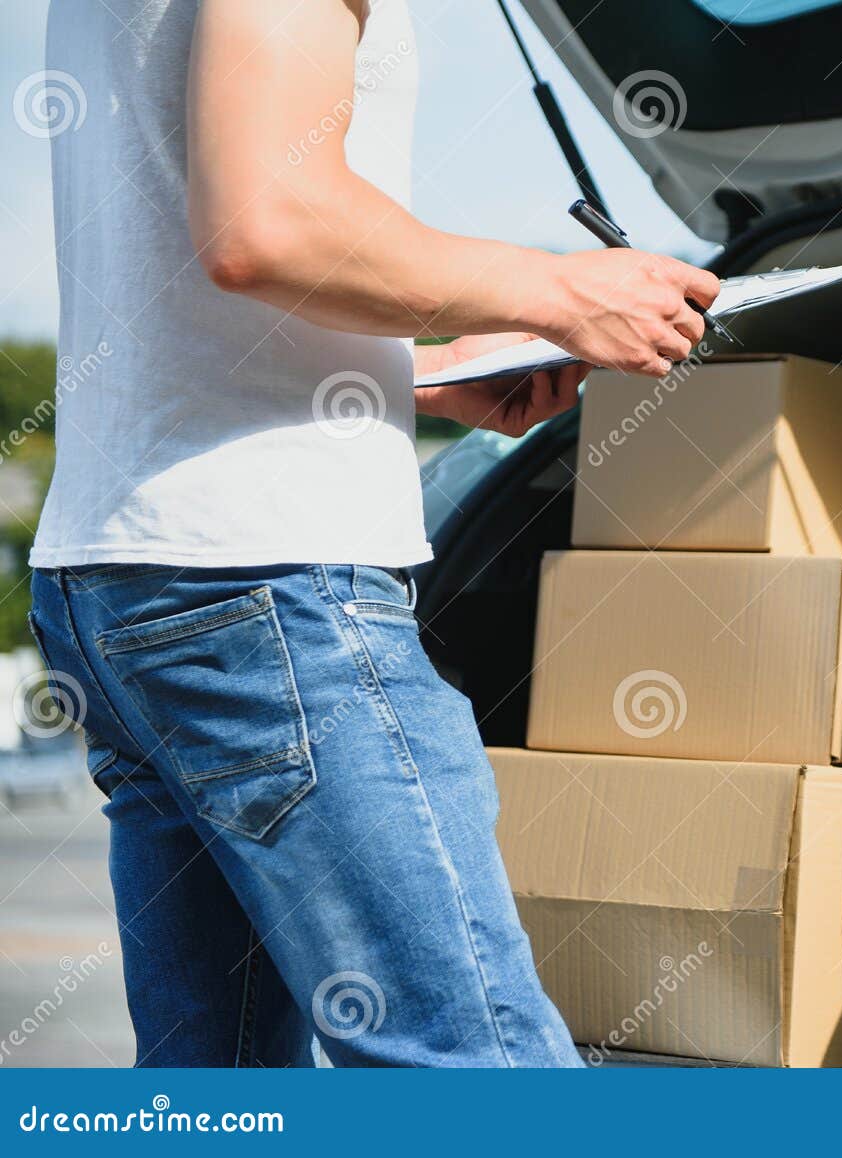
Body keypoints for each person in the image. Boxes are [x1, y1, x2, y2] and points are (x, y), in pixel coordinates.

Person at [27, 0, 717, 1067]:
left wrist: (417, 373)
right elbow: (266, 224)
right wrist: (565, 284)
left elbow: (175, 270)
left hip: (122, 571)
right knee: (474, 1067)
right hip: (263, 587)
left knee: (218, 1093)